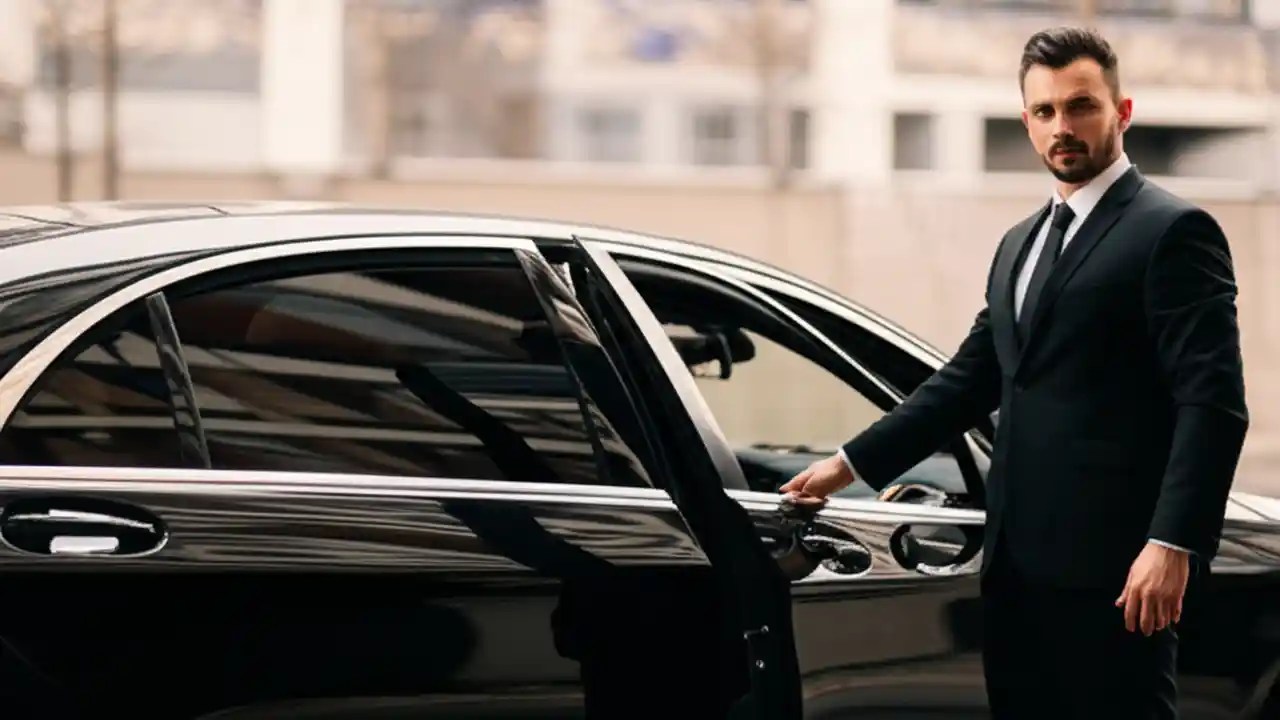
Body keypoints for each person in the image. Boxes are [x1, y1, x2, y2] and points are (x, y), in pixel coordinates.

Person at [780, 26, 1248, 719]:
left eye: (1081, 106)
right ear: (1026, 122)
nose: (1063, 127)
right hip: (1015, 575)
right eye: (1044, 111)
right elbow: (965, 382)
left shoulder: (1173, 232)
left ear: (1122, 112)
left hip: (1118, 578)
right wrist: (845, 466)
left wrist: (1171, 544)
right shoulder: (1018, 244)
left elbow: (1212, 403)